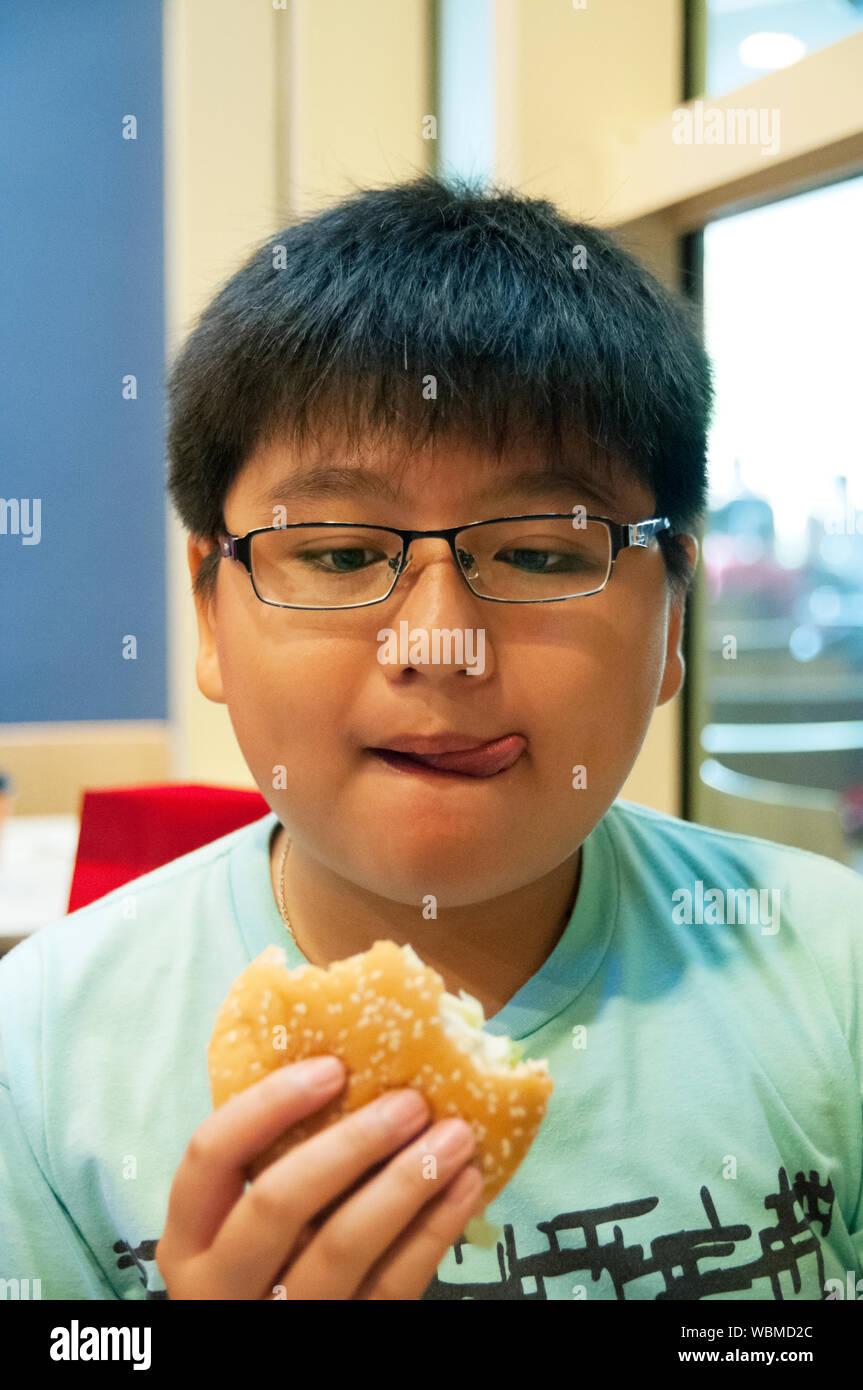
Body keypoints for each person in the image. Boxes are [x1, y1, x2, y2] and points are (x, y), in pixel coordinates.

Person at [1, 175, 861, 1301]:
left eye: (543, 553)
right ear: (212, 609)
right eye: (342, 552)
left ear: (670, 622)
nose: (439, 645)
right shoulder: (41, 1052)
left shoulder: (830, 976)